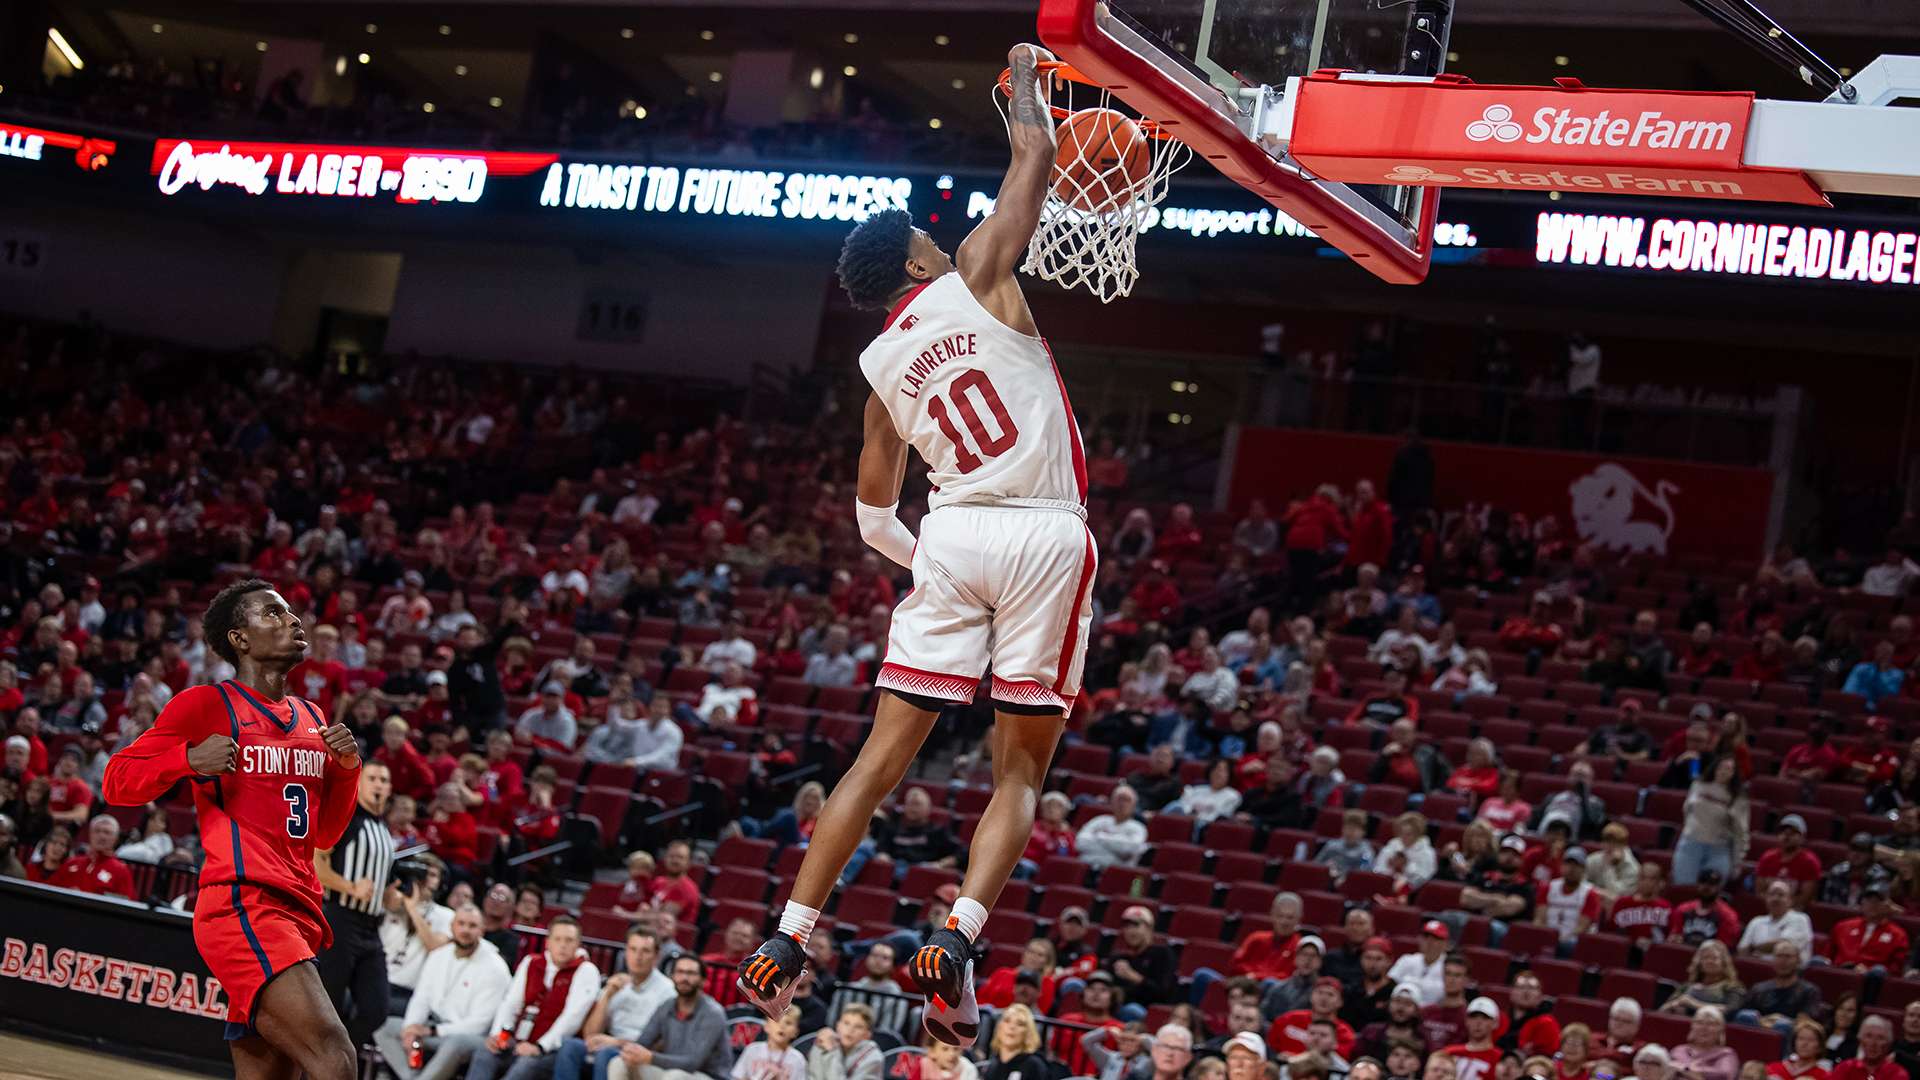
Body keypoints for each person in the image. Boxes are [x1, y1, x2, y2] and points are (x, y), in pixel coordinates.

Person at [738, 50, 1101, 1044]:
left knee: (876, 760)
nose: (946, 243)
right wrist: (1026, 79)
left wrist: (932, 565)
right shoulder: (981, 274)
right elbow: (1036, 148)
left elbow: (870, 517)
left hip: (950, 534)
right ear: (913, 262)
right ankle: (961, 934)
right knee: (1018, 770)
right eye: (930, 240)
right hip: (1040, 529)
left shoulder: (877, 371)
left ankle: (788, 933)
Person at [101, 579, 364, 1080]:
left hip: (300, 907)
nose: (293, 620)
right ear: (240, 639)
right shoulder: (204, 704)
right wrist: (188, 760)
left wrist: (347, 768)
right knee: (336, 1058)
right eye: (274, 613)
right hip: (243, 903)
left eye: (291, 613)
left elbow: (324, 834)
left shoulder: (312, 717)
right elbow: (116, 783)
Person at [314, 759, 400, 1046]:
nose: (379, 784)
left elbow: (378, 883)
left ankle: (330, 1057)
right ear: (360, 782)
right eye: (373, 778)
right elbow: (315, 863)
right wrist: (350, 887)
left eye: (384, 780)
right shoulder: (347, 817)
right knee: (327, 1006)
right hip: (341, 920)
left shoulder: (384, 829)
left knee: (377, 1010)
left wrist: (388, 895)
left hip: (371, 928)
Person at [375, 904, 513, 1080]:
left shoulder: (495, 967)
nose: (465, 930)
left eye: (472, 926)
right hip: (433, 1027)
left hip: (470, 1037)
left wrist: (433, 1031)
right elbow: (421, 998)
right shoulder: (439, 955)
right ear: (452, 926)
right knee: (384, 1027)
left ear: (482, 930)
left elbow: (480, 1024)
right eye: (461, 923)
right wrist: (412, 1027)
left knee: (454, 1044)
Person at [469, 915, 603, 1080]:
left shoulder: (586, 971)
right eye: (558, 939)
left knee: (525, 1066)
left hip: (552, 1049)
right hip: (517, 1038)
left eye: (569, 940)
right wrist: (499, 1035)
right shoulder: (531, 962)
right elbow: (511, 1003)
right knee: (486, 1053)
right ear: (548, 942)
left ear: (577, 944)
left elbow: (572, 1017)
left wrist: (540, 1047)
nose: (563, 945)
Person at [553, 928, 676, 1080]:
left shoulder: (667, 991)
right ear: (626, 953)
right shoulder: (617, 983)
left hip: (640, 1052)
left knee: (607, 1055)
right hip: (608, 1045)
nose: (638, 957)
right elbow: (590, 1034)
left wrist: (617, 1042)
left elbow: (662, 1041)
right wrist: (607, 996)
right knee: (570, 1046)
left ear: (656, 956)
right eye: (633, 949)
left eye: (645, 951)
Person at [612, 953, 730, 1080]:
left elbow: (692, 1062)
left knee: (674, 1077)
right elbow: (643, 1042)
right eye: (680, 972)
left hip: (708, 1075)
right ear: (672, 976)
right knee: (619, 1063)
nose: (684, 978)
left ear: (703, 980)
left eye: (691, 973)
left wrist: (651, 1057)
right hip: (670, 1070)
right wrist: (632, 1051)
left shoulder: (713, 1013)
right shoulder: (666, 1006)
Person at [1672, 759, 1747, 887]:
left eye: (1729, 769)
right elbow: (1687, 811)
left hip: (1718, 848)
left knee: (1711, 890)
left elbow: (1740, 831)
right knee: (1684, 888)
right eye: (1721, 767)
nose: (1724, 772)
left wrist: (1737, 860)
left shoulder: (1738, 797)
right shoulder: (1698, 785)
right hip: (1691, 844)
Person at [1741, 940, 1821, 1034]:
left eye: (1788, 956)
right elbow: (1748, 1016)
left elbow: (1805, 1022)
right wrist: (1767, 1021)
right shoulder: (1758, 989)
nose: (1783, 961)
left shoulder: (1809, 991)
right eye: (1779, 956)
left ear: (1798, 960)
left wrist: (1779, 1021)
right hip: (1759, 1032)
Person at [1829, 886, 1910, 974]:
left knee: (1878, 971)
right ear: (1862, 903)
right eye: (1868, 900)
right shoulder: (1843, 926)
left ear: (1888, 905)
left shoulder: (1898, 935)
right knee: (1817, 961)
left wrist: (1869, 971)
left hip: (1873, 978)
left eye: (1877, 901)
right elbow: (1828, 955)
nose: (1872, 904)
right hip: (1839, 971)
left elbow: (1895, 969)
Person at [1658, 942, 1744, 1017]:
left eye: (1714, 958)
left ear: (1724, 963)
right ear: (1699, 963)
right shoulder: (1687, 986)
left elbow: (1730, 1010)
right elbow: (1663, 1009)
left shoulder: (1733, 986)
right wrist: (1674, 1004)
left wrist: (1693, 1004)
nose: (1709, 961)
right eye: (1706, 958)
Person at [1737, 880, 1813, 964]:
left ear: (1790, 900)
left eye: (1781, 895)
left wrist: (1754, 948)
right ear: (1766, 899)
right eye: (1771, 894)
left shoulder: (1800, 919)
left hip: (1791, 972)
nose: (1775, 899)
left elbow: (1784, 946)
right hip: (1757, 969)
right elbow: (1742, 950)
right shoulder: (1756, 921)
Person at [1756, 815, 1823, 911]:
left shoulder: (1810, 862)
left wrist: (1781, 908)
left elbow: (1805, 898)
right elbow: (1760, 891)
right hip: (1767, 911)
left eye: (1793, 833)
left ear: (1803, 837)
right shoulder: (1767, 858)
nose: (1786, 835)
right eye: (1783, 832)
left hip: (1796, 913)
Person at [1076, 784, 1149, 870]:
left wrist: (1100, 836)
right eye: (1119, 799)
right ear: (1112, 802)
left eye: (1127, 800)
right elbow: (1080, 843)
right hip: (1087, 869)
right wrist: (1116, 850)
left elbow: (1131, 849)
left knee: (1137, 881)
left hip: (1118, 873)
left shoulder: (1138, 827)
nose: (1122, 804)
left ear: (1134, 806)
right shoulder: (1099, 820)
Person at [980, 1004, 1050, 1080]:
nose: (1012, 1027)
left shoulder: (1035, 1066)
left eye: (1020, 1024)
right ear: (999, 1027)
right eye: (1007, 1021)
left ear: (1028, 1032)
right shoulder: (992, 1066)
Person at [1387, 923, 1450, 1006]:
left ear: (1445, 944)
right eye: (1426, 937)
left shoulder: (1449, 967)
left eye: (1435, 938)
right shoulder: (1407, 960)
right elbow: (1388, 984)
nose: (1429, 942)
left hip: (1432, 1013)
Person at [1443, 998, 1505, 1080]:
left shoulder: (1500, 1058)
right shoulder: (1449, 1053)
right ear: (1466, 1021)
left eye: (1485, 1018)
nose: (1478, 1022)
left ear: (1495, 1023)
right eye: (1473, 1017)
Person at [1669, 1008, 1738, 1080]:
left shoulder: (1726, 1054)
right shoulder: (1679, 1050)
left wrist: (1685, 1069)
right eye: (1699, 1023)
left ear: (1720, 1030)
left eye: (1711, 1024)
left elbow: (1724, 1075)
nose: (1704, 1028)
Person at [1768, 1021, 1832, 1080]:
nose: (1804, 1044)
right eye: (1801, 1038)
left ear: (1820, 1046)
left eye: (1811, 1040)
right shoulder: (1774, 1068)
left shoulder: (1823, 1076)